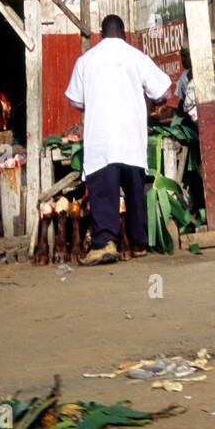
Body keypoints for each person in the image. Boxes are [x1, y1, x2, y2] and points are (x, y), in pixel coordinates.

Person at [65, 14, 172, 265]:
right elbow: (163, 91)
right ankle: (138, 243)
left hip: (101, 139)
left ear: (101, 35)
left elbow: (75, 100)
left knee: (103, 192)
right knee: (135, 191)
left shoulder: (86, 60)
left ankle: (104, 243)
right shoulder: (137, 57)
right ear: (124, 34)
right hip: (131, 138)